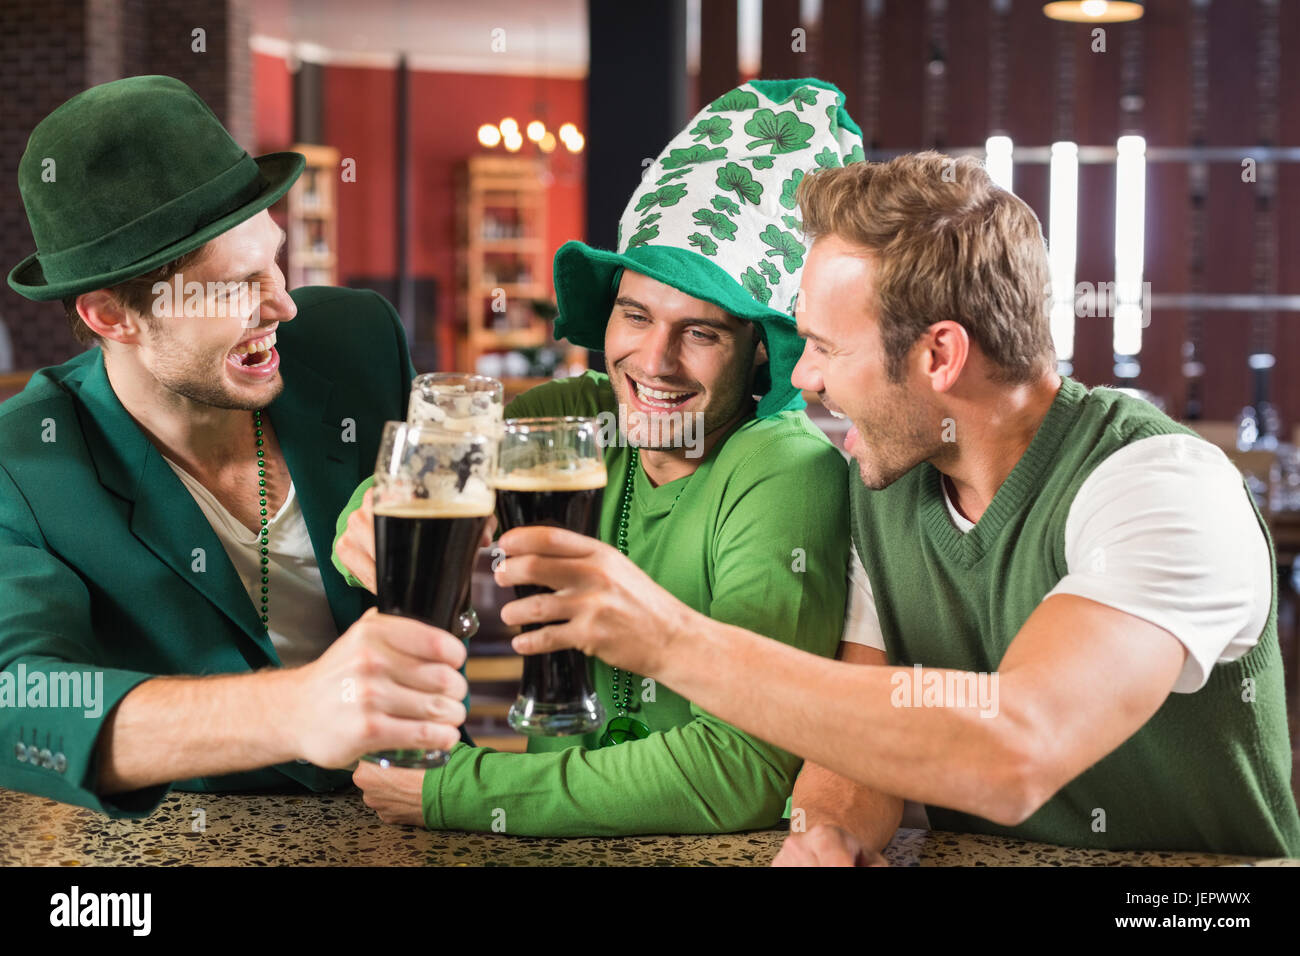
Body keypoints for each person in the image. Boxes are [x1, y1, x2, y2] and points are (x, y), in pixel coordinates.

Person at [492, 151, 1300, 862]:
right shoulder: (886, 486)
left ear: (940, 354)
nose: (801, 378)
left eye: (825, 347)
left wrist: (669, 642)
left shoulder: (1160, 487)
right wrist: (829, 834)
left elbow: (1015, 744)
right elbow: (856, 742)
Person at [334, 79, 863, 835]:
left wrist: (463, 791)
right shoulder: (580, 413)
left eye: (702, 332)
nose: (655, 362)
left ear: (759, 355)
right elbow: (410, 480)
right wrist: (367, 524)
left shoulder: (787, 472)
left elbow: (741, 771)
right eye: (635, 313)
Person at [0, 75, 467, 817]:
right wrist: (298, 708)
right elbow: (18, 707)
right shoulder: (25, 461)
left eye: (275, 261)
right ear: (110, 315)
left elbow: (466, 497)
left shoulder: (357, 339)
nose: (281, 303)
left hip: (435, 803)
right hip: (201, 839)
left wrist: (471, 516)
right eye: (234, 287)